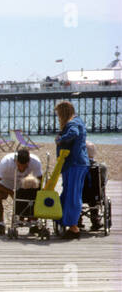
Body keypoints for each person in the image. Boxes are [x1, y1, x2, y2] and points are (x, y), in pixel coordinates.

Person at [54, 101, 89, 239]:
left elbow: (73, 133)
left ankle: (73, 227)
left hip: (73, 162)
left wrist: (60, 140)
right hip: (78, 162)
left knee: (72, 194)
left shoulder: (72, 123)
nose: (58, 117)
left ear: (63, 113)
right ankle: (69, 222)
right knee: (70, 193)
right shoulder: (78, 120)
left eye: (58, 114)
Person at [0, 147, 43, 234]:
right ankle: (1, 224)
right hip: (7, 181)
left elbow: (40, 183)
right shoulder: (6, 162)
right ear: (16, 161)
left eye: (25, 166)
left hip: (25, 182)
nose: (21, 169)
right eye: (19, 165)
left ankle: (33, 222)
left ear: (29, 162)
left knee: (35, 194)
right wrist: (10, 192)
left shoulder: (35, 162)